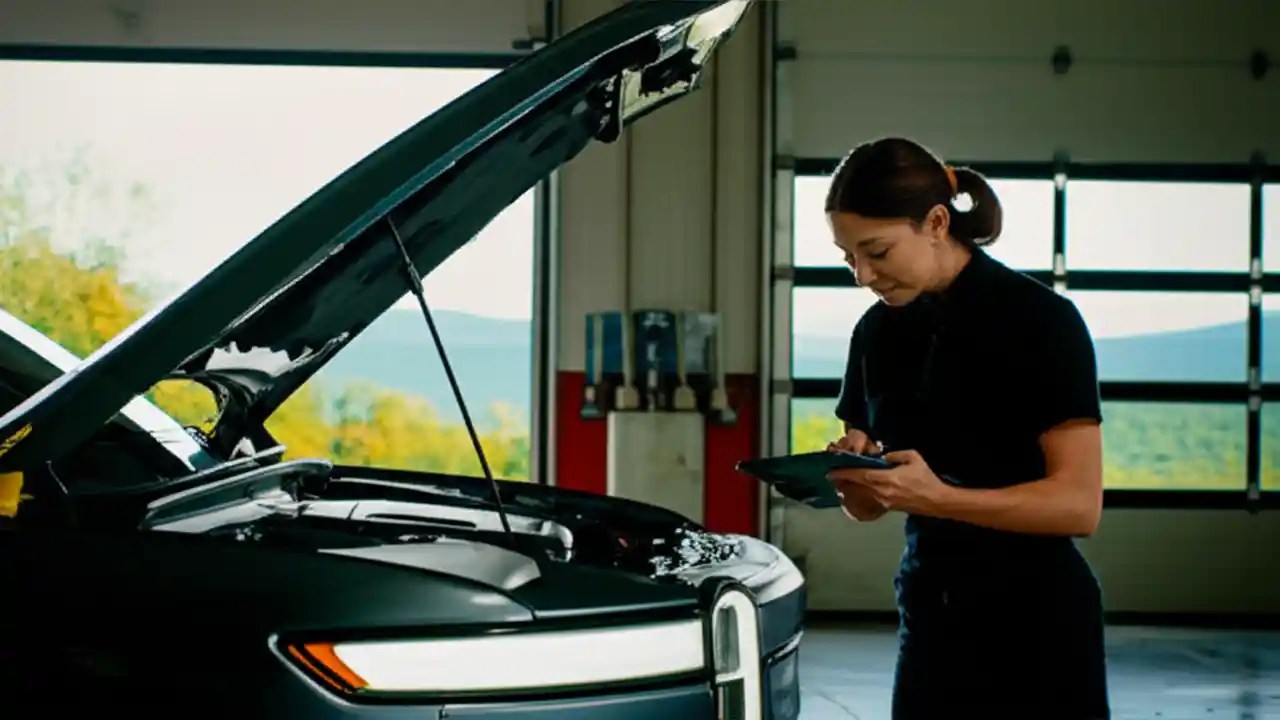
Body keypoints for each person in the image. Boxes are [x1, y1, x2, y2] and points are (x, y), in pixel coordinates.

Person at [821, 137, 1110, 719]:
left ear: (935, 222)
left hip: (1038, 623)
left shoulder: (1041, 322)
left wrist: (942, 499)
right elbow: (870, 510)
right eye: (848, 257)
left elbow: (1079, 505)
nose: (862, 275)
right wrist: (859, 482)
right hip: (930, 615)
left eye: (877, 251)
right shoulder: (875, 334)